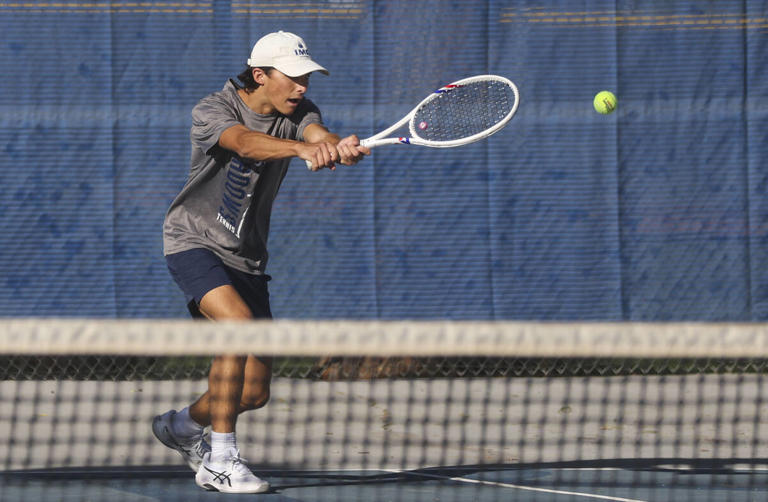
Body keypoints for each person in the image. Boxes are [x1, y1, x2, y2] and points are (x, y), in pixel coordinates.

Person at [151, 30, 369, 494]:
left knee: (253, 392)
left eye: (306, 78)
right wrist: (303, 149)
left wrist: (334, 146)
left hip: (247, 259)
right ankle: (220, 460)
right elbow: (245, 143)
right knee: (236, 326)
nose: (302, 87)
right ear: (259, 75)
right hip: (193, 240)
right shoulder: (214, 109)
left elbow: (318, 133)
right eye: (292, 78)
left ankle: (183, 427)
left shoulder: (300, 114)